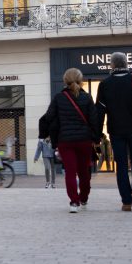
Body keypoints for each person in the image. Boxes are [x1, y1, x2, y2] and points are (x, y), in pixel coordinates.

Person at [95, 51, 132, 212]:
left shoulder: (105, 84)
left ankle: (126, 202)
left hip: (116, 130)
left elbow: (99, 111)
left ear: (112, 65)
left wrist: (97, 134)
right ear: (126, 64)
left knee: (121, 165)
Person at [40, 68, 101, 212]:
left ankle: (74, 202)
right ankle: (83, 198)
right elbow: (94, 120)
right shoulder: (87, 97)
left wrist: (47, 133)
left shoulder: (58, 98)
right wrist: (96, 138)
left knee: (70, 172)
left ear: (65, 80)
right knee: (84, 172)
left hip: (65, 141)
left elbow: (49, 117)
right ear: (81, 80)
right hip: (84, 140)